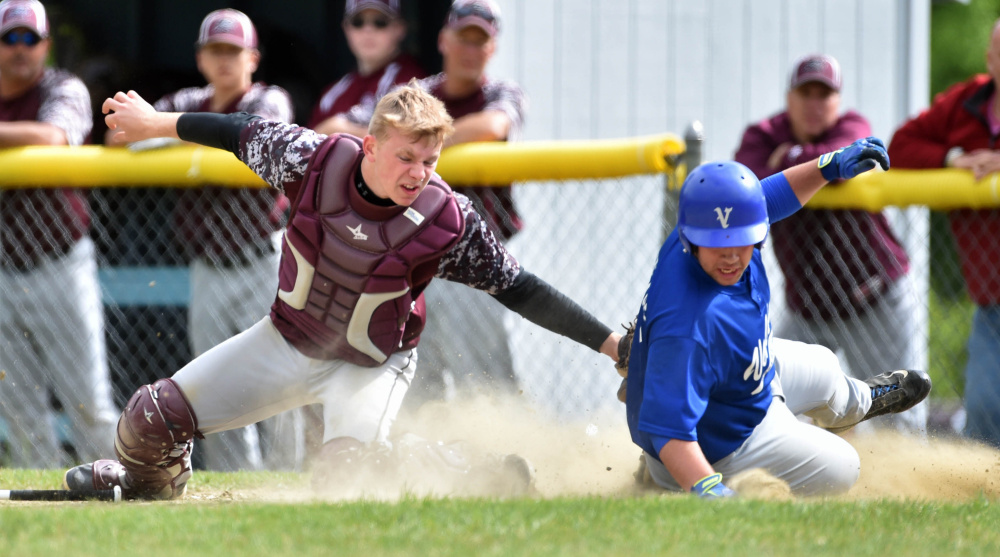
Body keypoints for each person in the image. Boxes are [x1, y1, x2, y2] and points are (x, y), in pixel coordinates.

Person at [62, 82, 622, 500]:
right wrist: (156, 122)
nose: (418, 173)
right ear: (371, 146)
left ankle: (460, 466)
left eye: (430, 161)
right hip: (285, 342)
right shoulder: (311, 158)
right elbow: (236, 131)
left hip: (370, 364)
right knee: (149, 418)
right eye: (405, 157)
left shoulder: (448, 220)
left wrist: (609, 345)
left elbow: (520, 288)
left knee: (345, 481)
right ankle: (146, 488)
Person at [623, 139, 932, 497]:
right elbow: (670, 435)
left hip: (741, 377)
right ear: (690, 238)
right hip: (723, 445)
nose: (731, 256)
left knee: (825, 364)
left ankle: (861, 400)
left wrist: (827, 166)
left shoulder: (697, 235)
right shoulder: (688, 326)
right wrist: (710, 492)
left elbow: (765, 197)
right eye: (718, 245)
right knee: (844, 466)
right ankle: (668, 482)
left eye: (740, 241)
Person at [116, 9, 304, 472]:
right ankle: (239, 482)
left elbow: (258, 143)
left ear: (252, 58)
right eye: (216, 51)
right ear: (201, 57)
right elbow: (119, 134)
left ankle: (289, 479)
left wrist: (170, 133)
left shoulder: (269, 98)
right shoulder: (190, 99)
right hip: (208, 264)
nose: (224, 61)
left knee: (282, 377)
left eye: (233, 52)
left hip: (265, 259)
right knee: (217, 383)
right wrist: (185, 131)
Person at [331, 0, 528, 408]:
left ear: (492, 48)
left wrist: (412, 140)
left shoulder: (499, 92)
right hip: (415, 259)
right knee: (418, 381)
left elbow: (492, 125)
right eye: (463, 38)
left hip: (478, 259)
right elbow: (335, 128)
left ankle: (506, 459)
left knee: (486, 380)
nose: (470, 50)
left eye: (481, 41)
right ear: (443, 40)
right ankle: (427, 467)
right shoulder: (418, 93)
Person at [733, 54, 926, 435]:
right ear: (789, 98)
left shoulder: (852, 126)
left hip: (873, 297)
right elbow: (745, 181)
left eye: (825, 94)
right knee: (762, 399)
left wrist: (788, 160)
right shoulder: (762, 136)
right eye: (806, 93)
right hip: (806, 306)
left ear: (838, 101)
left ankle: (902, 488)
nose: (814, 103)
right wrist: (816, 163)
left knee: (896, 416)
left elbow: (843, 163)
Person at [0, 0, 118, 467]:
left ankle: (118, 489)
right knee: (19, 410)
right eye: (10, 38)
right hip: (2, 270)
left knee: (89, 403)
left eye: (30, 38)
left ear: (46, 45)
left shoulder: (63, 86)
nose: (20, 48)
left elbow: (54, 136)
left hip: (59, 262)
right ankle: (43, 514)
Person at [888, 18, 1000, 449]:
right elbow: (899, 145)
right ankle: (986, 501)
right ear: (989, 58)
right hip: (991, 300)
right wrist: (954, 157)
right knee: (986, 408)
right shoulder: (965, 102)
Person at [308, 0, 425, 134]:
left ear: (399, 28)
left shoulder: (413, 81)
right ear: (346, 28)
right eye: (358, 22)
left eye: (380, 22)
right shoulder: (332, 94)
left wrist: (336, 129)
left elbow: (407, 140)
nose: (368, 30)